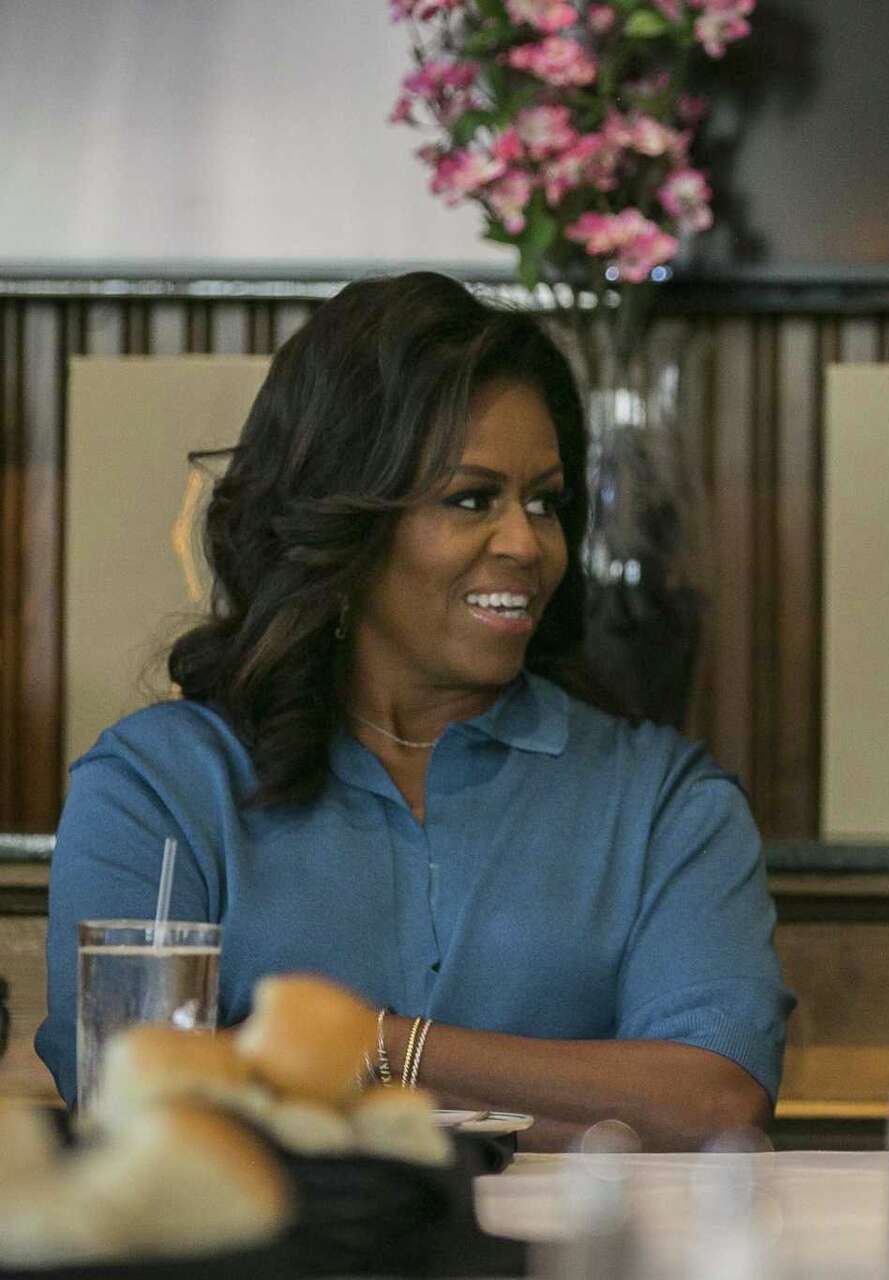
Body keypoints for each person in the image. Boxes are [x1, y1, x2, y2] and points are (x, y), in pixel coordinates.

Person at [38, 272, 793, 1150]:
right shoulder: (158, 788)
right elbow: (130, 1098)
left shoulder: (665, 801)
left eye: (545, 502)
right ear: (343, 522)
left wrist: (367, 1046)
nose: (526, 543)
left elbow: (711, 1106)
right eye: (471, 499)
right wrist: (565, 1111)